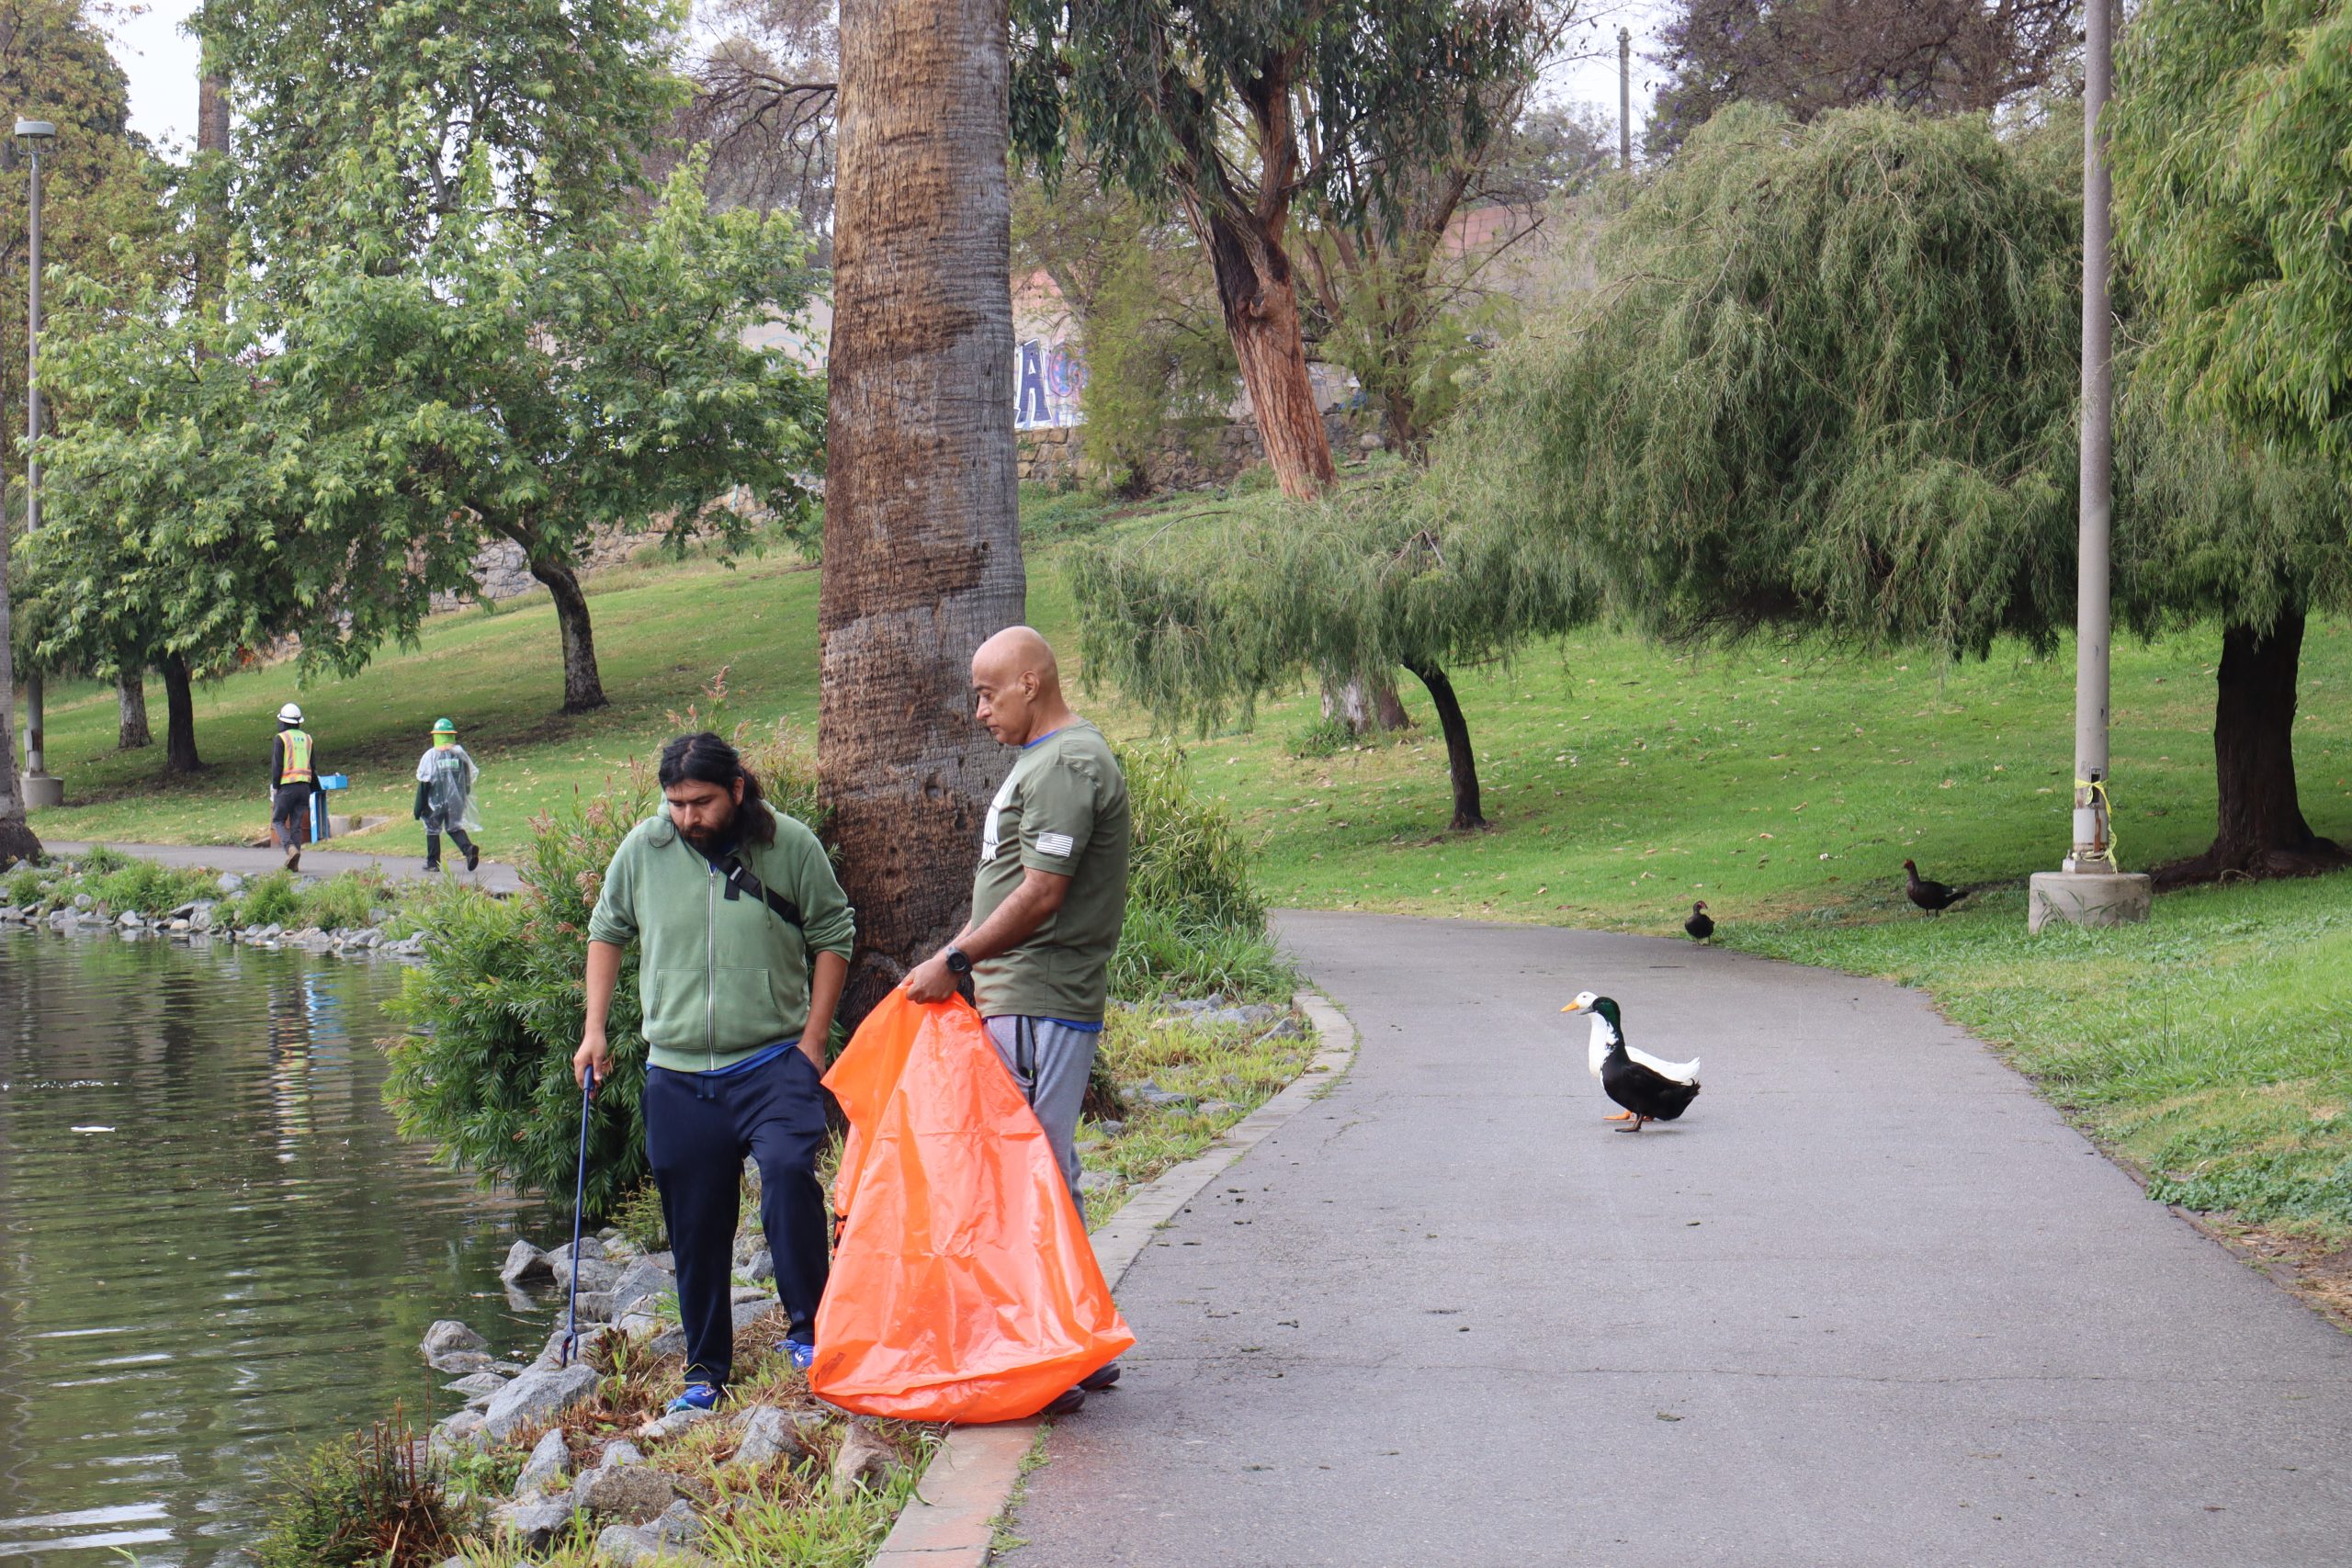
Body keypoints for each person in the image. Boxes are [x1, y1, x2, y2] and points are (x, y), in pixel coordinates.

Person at [576, 731, 854, 1414]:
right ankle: (704, 1372)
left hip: (772, 1060)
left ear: (736, 788)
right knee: (695, 1225)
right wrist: (594, 1029)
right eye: (675, 803)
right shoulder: (644, 849)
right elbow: (607, 930)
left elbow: (833, 933)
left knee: (789, 1175)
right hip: (676, 1072)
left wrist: (812, 1042)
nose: (687, 817)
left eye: (700, 801)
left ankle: (811, 1331)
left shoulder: (789, 844)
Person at [904, 625, 1132, 1413]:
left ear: (1032, 682)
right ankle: (1074, 1338)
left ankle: (1056, 1351)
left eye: (987, 692)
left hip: (1037, 994)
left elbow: (1041, 893)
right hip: (1022, 996)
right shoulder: (1046, 761)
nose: (977, 711)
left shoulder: (1068, 762)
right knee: (1034, 1169)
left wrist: (955, 960)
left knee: (1027, 1170)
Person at [413, 718, 482, 873]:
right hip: (456, 802)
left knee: (432, 829)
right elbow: (467, 779)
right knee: (454, 827)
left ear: (436, 736)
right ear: (452, 736)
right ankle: (468, 849)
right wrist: (463, 798)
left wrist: (419, 807)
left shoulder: (430, 756)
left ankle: (433, 863)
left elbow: (424, 784)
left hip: (435, 803)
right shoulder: (460, 755)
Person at [266, 702, 319, 873]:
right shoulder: (308, 739)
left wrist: (275, 787)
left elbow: (277, 765)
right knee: (296, 825)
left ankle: (290, 849)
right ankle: (294, 863)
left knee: (278, 820)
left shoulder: (281, 738)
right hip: (304, 788)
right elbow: (313, 765)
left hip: (287, 786)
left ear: (283, 722)